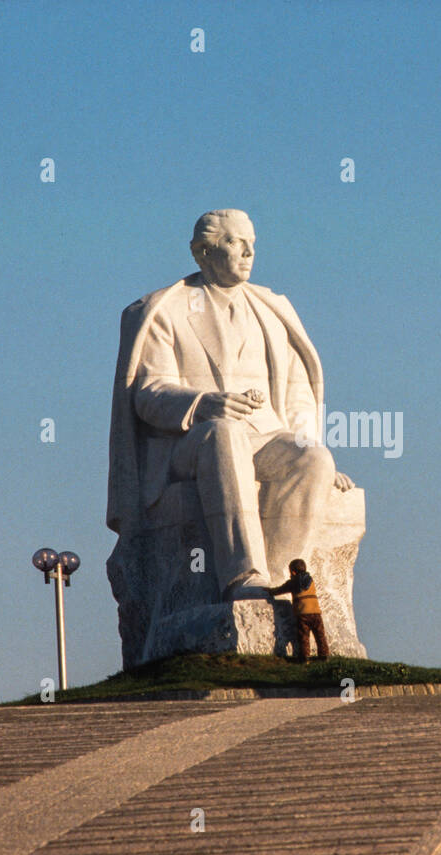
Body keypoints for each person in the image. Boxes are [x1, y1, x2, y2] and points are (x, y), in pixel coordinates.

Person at [107, 209, 353, 600]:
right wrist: (203, 403)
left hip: (266, 438)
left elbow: (297, 394)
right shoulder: (163, 310)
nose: (248, 252)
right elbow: (149, 392)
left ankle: (285, 582)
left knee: (313, 459)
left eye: (252, 243)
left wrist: (315, 448)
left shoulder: (272, 311)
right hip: (190, 446)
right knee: (224, 436)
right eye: (235, 242)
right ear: (202, 252)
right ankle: (244, 578)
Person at [266, 559, 329, 661]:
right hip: (316, 612)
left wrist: (269, 591)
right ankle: (324, 655)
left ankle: (305, 657)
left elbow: (279, 590)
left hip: (302, 613)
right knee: (320, 635)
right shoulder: (310, 580)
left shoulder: (292, 583)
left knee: (304, 636)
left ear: (293, 572)